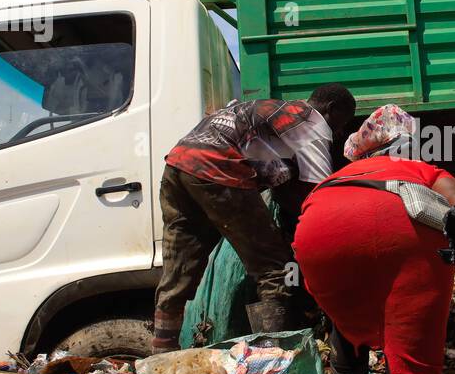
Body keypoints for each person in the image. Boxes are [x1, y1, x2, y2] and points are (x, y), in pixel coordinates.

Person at [292, 104, 455, 374]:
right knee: (417, 365)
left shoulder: (340, 175)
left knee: (345, 337)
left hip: (318, 234)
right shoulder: (421, 169)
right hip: (403, 236)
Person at [151, 84, 356, 351]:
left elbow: (285, 191)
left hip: (178, 165)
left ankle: (159, 360)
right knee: (274, 270)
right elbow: (317, 198)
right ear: (331, 109)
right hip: (217, 167)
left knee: (179, 271)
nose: (339, 132)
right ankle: (274, 362)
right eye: (342, 123)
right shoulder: (310, 123)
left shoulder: (269, 110)